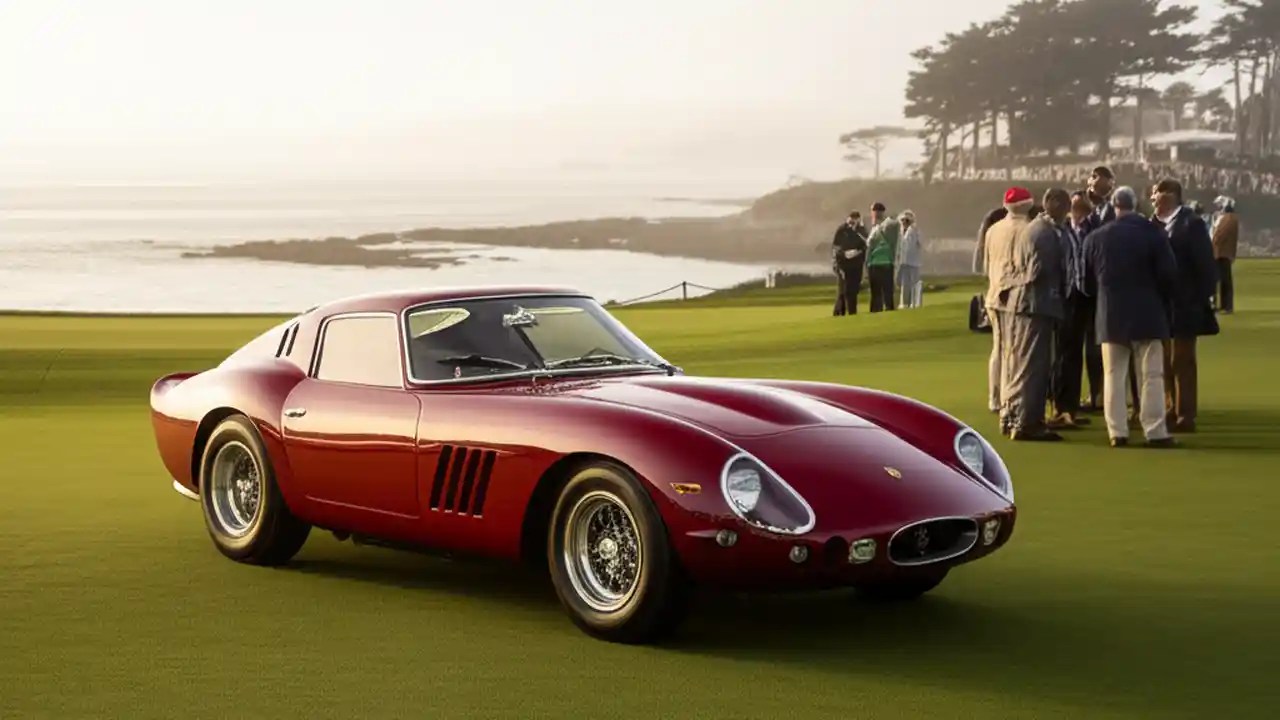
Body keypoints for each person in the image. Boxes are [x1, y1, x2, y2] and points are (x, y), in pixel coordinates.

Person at [1082, 186, 1178, 448]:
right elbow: (1169, 275)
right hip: (1148, 312)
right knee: (1152, 375)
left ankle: (1117, 431)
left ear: (1114, 206)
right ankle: (1155, 430)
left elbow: (1086, 283)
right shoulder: (1154, 234)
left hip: (1111, 314)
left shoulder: (1095, 238)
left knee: (1113, 375)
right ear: (1135, 205)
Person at [997, 187, 1068, 442]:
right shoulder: (1044, 233)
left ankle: (1012, 416)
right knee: (1033, 367)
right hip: (1036, 305)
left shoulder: (1033, 229)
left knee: (1018, 364)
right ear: (1055, 205)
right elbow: (1037, 272)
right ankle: (1027, 422)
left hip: (1022, 304)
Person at [1151, 179, 1218, 433]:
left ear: (1170, 195)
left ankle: (1185, 414)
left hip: (1186, 305)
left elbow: (1206, 266)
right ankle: (1169, 408)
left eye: (1156, 194)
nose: (1152, 198)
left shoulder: (1192, 224)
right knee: (1164, 362)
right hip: (1161, 305)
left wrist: (1200, 298)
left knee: (1183, 361)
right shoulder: (1153, 225)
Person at [983, 187, 1035, 428]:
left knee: (998, 347)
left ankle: (994, 397)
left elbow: (986, 265)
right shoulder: (1028, 229)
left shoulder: (993, 229)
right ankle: (1007, 399)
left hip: (993, 293)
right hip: (1013, 295)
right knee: (1012, 351)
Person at [1048, 192, 1096, 428]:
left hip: (1084, 296)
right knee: (1062, 354)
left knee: (1075, 353)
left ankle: (1070, 408)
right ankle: (1060, 408)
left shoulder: (1092, 228)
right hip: (1064, 297)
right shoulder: (1059, 230)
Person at [831, 211, 868, 316]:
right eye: (851, 220)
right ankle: (839, 312)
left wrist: (857, 252)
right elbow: (836, 247)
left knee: (853, 290)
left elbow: (866, 244)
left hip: (856, 264)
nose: (853, 223)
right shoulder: (842, 230)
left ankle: (852, 312)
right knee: (843, 289)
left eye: (855, 220)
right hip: (842, 264)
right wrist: (844, 254)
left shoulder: (861, 231)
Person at [866, 202, 900, 312]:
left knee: (887, 291)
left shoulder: (888, 225)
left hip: (886, 262)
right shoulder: (874, 228)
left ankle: (888, 309)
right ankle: (877, 311)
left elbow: (892, 229)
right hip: (874, 263)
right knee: (876, 293)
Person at [1212, 195, 1239, 314]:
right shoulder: (1227, 217)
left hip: (1222, 252)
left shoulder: (1229, 218)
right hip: (1222, 252)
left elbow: (1220, 235)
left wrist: (1212, 244)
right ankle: (1224, 305)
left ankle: (1227, 306)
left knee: (1225, 280)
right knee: (1223, 280)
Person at [897, 210, 923, 308]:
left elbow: (920, 243)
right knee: (904, 283)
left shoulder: (915, 230)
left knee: (914, 283)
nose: (904, 222)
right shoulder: (900, 232)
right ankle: (904, 303)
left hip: (914, 261)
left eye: (906, 220)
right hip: (903, 261)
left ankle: (916, 303)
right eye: (903, 220)